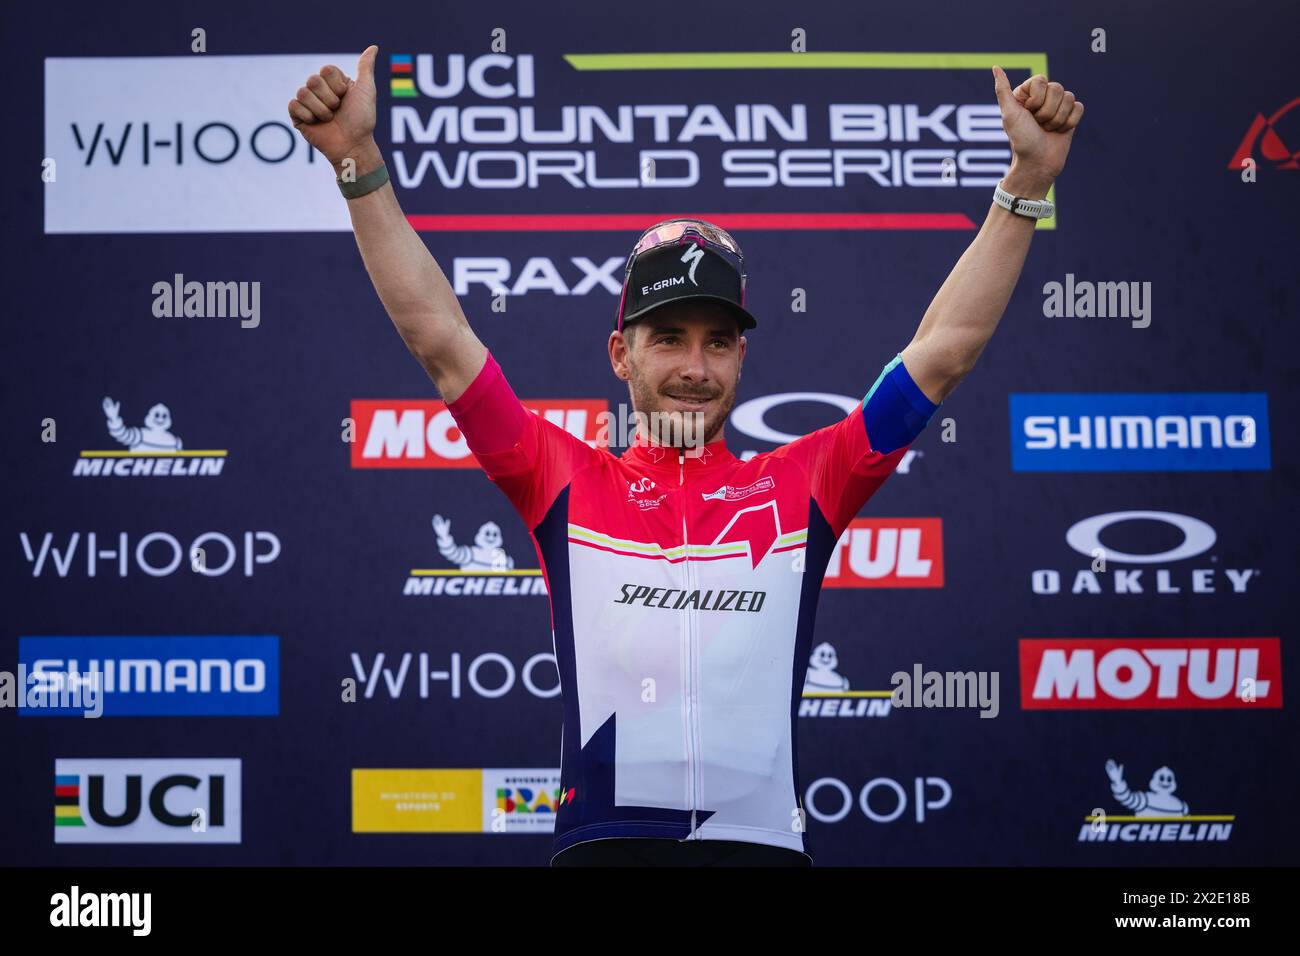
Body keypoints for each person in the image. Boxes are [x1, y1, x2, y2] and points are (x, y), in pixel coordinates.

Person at [288, 46, 1084, 867]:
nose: (695, 369)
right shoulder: (561, 477)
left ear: (743, 360)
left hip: (762, 848)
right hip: (604, 847)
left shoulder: (807, 481)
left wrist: (1024, 185)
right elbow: (441, 343)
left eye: (718, 343)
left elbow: (942, 354)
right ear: (620, 357)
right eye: (667, 339)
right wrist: (357, 160)